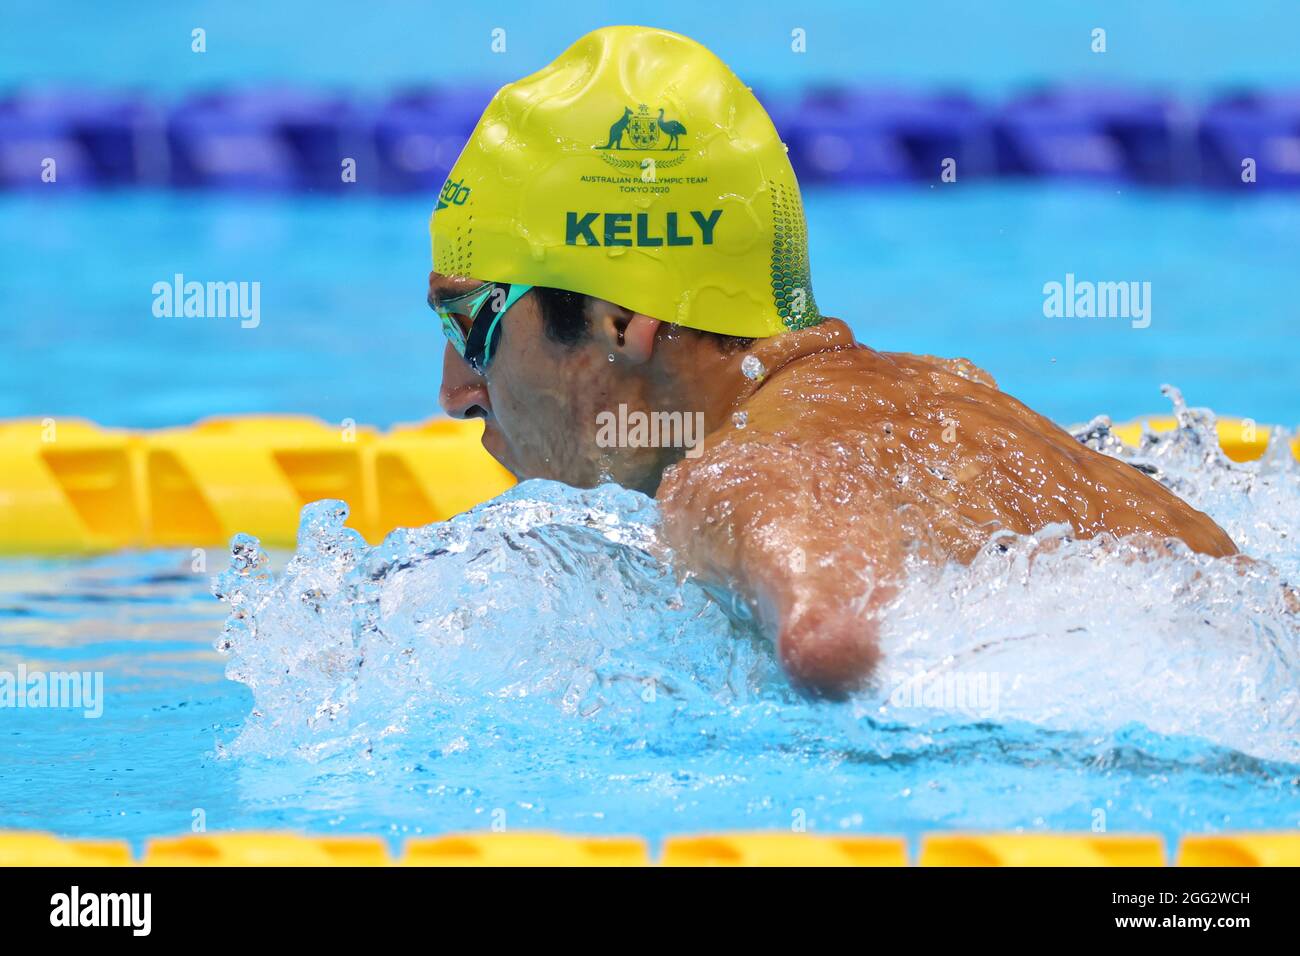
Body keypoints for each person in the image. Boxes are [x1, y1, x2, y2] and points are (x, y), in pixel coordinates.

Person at [429, 26, 1236, 695]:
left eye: (470, 320)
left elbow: (832, 635)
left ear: (617, 323)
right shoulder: (955, 395)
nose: (455, 392)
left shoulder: (735, 471)